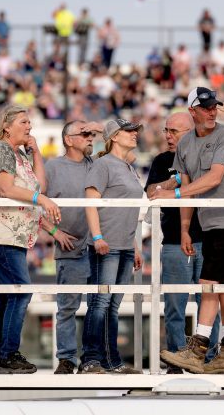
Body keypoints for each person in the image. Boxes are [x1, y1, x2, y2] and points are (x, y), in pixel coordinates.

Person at [146, 103, 224, 373]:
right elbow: (155, 191)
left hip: (221, 223)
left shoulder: (222, 140)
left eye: (174, 130)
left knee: (210, 287)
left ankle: (202, 352)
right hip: (200, 229)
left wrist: (174, 190)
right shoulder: (169, 158)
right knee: (218, 288)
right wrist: (183, 222)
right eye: (166, 130)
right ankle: (221, 353)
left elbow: (218, 175)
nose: (168, 135)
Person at [0, 105, 61, 374]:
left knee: (9, 295)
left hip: (15, 234)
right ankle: (8, 353)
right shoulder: (1, 149)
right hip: (1, 231)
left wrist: (36, 152)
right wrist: (41, 200)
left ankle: (4, 355)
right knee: (21, 290)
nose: (29, 126)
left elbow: (40, 186)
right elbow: (6, 188)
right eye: (23, 122)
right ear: (6, 126)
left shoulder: (20, 153)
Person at [80, 118, 144, 374]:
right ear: (114, 136)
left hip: (124, 244)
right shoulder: (103, 164)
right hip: (106, 243)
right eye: (129, 131)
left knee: (112, 305)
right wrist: (97, 237)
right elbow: (90, 202)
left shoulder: (128, 167)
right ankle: (91, 359)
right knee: (100, 302)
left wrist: (135, 246)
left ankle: (111, 360)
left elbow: (130, 210)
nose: (134, 135)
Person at [43, 120, 102, 374]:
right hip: (70, 249)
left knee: (98, 306)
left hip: (97, 248)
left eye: (91, 134)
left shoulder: (97, 165)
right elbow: (34, 205)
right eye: (84, 134)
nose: (90, 138)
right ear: (68, 140)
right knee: (67, 307)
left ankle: (92, 358)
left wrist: (95, 127)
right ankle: (67, 359)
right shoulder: (53, 167)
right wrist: (55, 232)